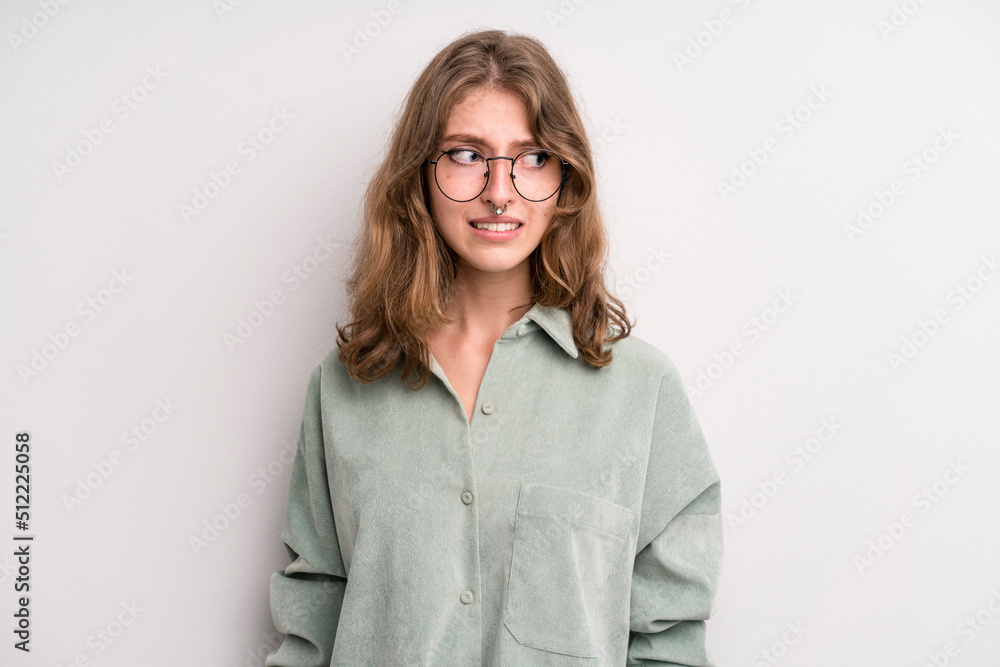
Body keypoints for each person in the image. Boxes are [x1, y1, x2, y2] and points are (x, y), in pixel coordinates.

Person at [264, 28, 722, 667]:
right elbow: (312, 619)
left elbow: (668, 638)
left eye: (533, 157)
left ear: (566, 180)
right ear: (419, 177)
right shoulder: (343, 385)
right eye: (466, 155)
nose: (499, 191)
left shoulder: (642, 392)